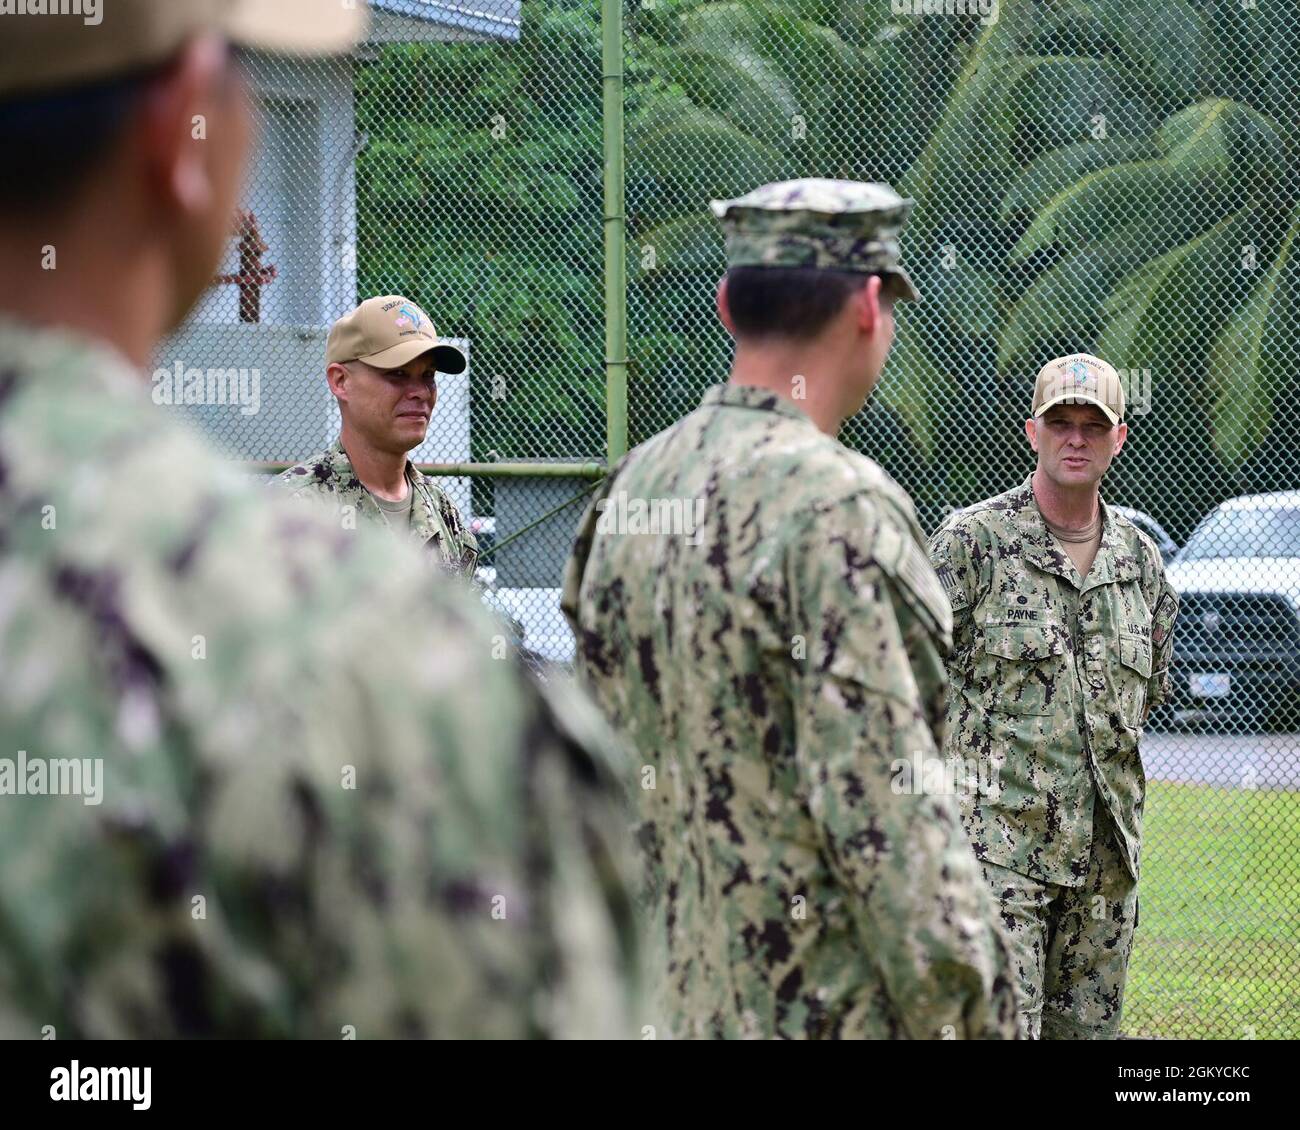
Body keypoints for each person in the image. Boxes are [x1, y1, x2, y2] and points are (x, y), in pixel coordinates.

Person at [0, 0, 637, 1039]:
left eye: (432, 375)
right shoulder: (327, 608)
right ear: (180, 136)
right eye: (236, 76)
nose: (418, 392)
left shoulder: (418, 549)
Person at [562, 178, 1019, 1040]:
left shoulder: (628, 495)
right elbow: (889, 817)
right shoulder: (842, 510)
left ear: (728, 304)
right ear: (871, 307)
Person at [928, 353, 1179, 1040]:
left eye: (1092, 426)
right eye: (1060, 423)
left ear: (1118, 438)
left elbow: (1144, 694)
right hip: (995, 860)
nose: (1076, 438)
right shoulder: (971, 545)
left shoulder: (1141, 562)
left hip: (1104, 868)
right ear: (1031, 433)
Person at [276, 296, 478, 576]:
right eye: (397, 373)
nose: (420, 391)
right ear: (340, 381)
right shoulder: (291, 510)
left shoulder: (442, 512)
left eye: (428, 375)